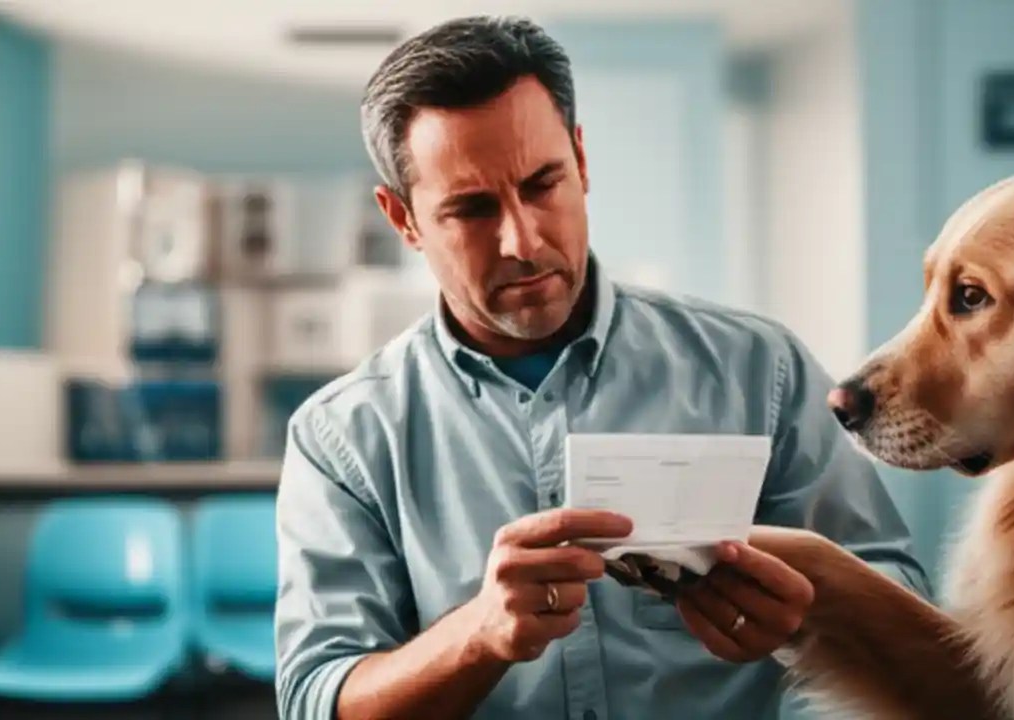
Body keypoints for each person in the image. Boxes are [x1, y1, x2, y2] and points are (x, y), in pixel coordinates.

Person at [274, 14, 930, 720]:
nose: (522, 241)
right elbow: (317, 700)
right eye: (471, 209)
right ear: (402, 220)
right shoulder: (341, 437)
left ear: (581, 162)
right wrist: (479, 636)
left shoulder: (758, 371)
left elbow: (899, 597)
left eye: (542, 184)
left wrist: (808, 616)